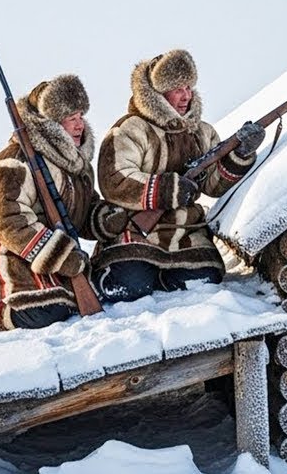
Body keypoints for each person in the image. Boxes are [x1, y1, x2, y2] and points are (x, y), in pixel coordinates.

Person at [0, 75, 128, 340]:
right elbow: (5, 217)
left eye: (80, 115)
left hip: (50, 257)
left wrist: (105, 218)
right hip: (4, 252)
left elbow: (81, 211)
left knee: (71, 304)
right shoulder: (13, 163)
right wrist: (61, 256)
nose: (79, 125)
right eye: (70, 118)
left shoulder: (77, 167)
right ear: (50, 124)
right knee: (41, 313)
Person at [92, 49, 264, 303]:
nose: (186, 95)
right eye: (177, 89)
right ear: (159, 93)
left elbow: (214, 186)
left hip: (187, 233)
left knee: (203, 280)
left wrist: (241, 154)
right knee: (128, 287)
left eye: (189, 87)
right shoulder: (130, 129)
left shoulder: (204, 132)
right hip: (137, 232)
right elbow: (115, 180)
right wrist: (167, 189)